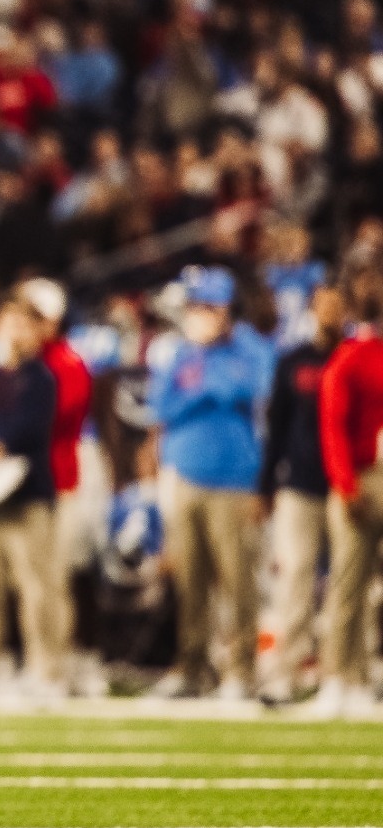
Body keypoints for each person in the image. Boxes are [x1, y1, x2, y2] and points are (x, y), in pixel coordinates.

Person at [149, 266, 274, 700]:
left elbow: (256, 388)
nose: (199, 314)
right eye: (195, 306)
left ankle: (241, 671)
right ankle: (192, 667)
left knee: (238, 580)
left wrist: (205, 390)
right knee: (190, 581)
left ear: (226, 308)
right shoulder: (180, 353)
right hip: (185, 475)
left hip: (236, 478)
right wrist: (207, 392)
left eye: (207, 306)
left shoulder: (251, 348)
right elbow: (161, 407)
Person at [0, 294, 62, 700]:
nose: (15, 332)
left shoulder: (40, 378)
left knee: (37, 590)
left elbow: (26, 433)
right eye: (9, 323)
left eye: (24, 324)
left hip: (29, 494)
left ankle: (46, 671)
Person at [259, 281, 344, 706]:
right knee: (294, 577)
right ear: (312, 307)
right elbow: (276, 427)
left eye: (336, 304)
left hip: (347, 485)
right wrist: (266, 485)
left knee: (350, 583)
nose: (330, 311)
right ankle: (285, 675)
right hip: (300, 482)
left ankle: (344, 676)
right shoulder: (293, 361)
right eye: (324, 303)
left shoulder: (355, 356)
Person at [18, 277, 92, 688]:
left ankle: (57, 664)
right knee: (29, 581)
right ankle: (33, 662)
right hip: (25, 486)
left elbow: (53, 421)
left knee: (53, 579)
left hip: (58, 480)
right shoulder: (19, 364)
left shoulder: (66, 365)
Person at [318, 265, 383, 716]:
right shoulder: (350, 357)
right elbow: (334, 426)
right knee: (347, 584)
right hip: (362, 476)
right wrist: (346, 484)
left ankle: (363, 677)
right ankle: (340, 677)